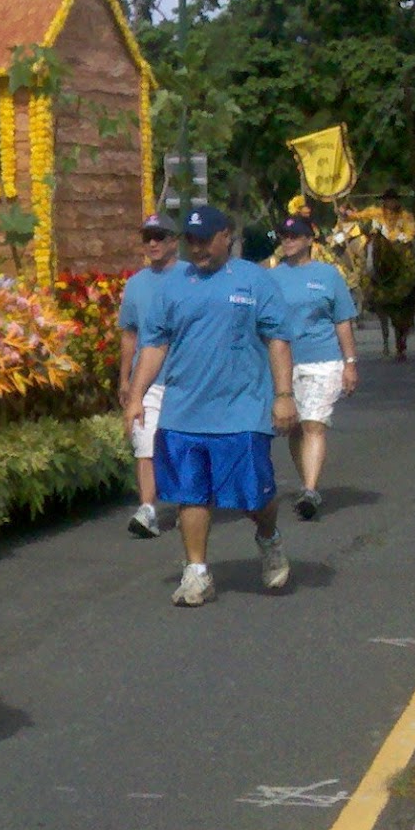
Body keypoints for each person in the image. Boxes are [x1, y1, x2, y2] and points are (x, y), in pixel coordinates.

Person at [123, 205, 296, 608]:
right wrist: (135, 397)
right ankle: (196, 572)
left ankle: (268, 536)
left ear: (227, 236)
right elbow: (154, 344)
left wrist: (284, 396)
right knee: (190, 494)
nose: (198, 249)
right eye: (192, 241)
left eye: (205, 240)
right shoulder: (174, 285)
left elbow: (278, 340)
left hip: (242, 411)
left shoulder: (255, 281)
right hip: (184, 410)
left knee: (255, 498)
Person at [267, 216, 359, 520]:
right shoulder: (272, 277)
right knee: (294, 426)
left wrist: (350, 363)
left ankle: (309, 489)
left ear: (309, 239)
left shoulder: (328, 275)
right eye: (284, 235)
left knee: (314, 423)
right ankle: (307, 482)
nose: (288, 240)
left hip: (323, 360)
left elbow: (342, 320)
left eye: (295, 235)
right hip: (285, 363)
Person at [116, 213, 180, 538]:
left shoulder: (191, 277)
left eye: (160, 236)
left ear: (174, 241)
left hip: (186, 379)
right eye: (147, 238)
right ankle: (148, 509)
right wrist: (126, 380)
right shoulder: (136, 284)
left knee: (182, 445)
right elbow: (129, 334)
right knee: (145, 444)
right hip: (149, 380)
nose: (153, 243)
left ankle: (189, 503)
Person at [342, 187, 415, 244]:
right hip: (377, 244)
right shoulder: (376, 212)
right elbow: (359, 216)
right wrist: (345, 215)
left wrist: (400, 238)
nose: (391, 202)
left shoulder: (406, 216)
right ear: (384, 201)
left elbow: (410, 234)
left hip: (398, 247)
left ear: (397, 201)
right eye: (388, 200)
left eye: (393, 200)